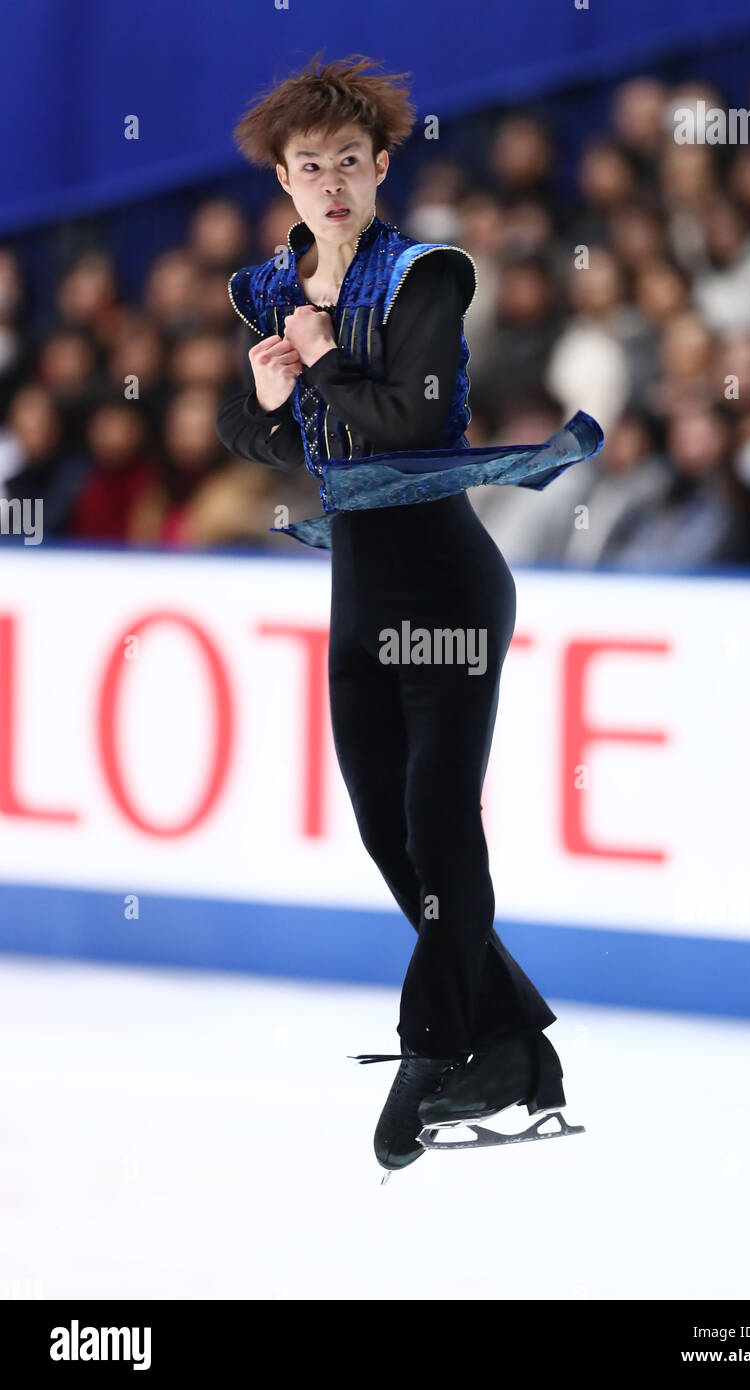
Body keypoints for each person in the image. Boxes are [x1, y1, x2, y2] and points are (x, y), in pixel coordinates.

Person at [216, 54, 602, 1173]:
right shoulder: (272, 291)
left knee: (438, 822)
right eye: (308, 168)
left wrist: (327, 361)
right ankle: (515, 1040)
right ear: (283, 184)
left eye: (348, 162)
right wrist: (269, 399)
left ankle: (434, 1048)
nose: (330, 184)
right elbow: (260, 440)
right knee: (391, 835)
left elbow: (410, 421)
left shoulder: (424, 276)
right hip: (358, 589)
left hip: (443, 585)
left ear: (380, 167)